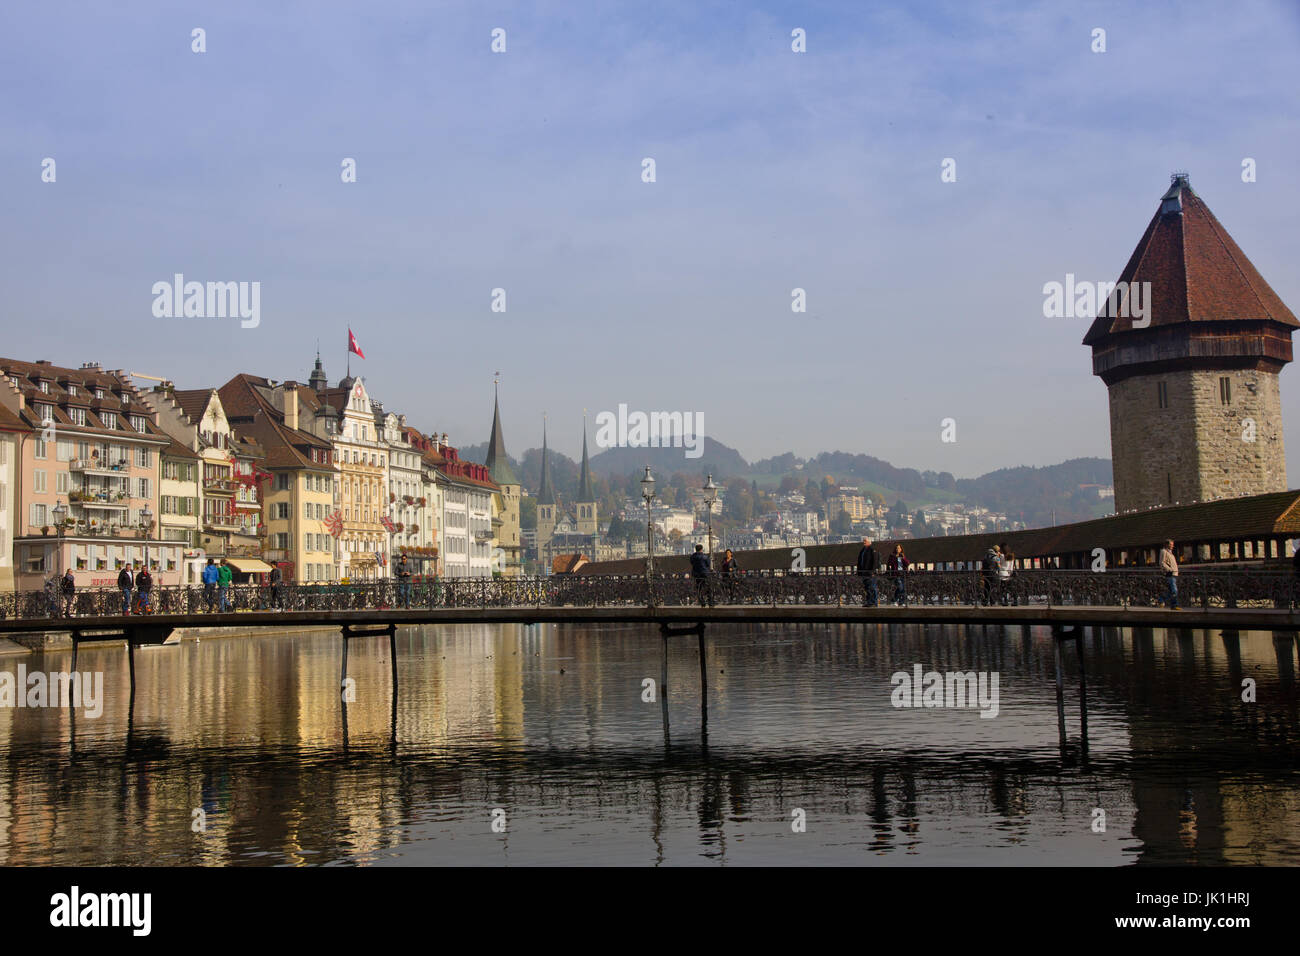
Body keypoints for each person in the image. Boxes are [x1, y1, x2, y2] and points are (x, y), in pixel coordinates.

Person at [856, 537, 880, 607]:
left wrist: (872, 571)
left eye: (865, 541)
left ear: (869, 542)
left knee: (872, 587)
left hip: (870, 573)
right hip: (864, 572)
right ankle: (869, 601)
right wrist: (859, 572)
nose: (864, 542)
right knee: (867, 588)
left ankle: (874, 602)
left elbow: (874, 561)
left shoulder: (872, 550)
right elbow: (860, 561)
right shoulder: (862, 550)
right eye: (863, 541)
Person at [1160, 539, 1180, 610]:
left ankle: (1162, 599)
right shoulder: (1164, 551)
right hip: (1170, 573)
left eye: (1172, 544)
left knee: (1171, 590)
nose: (1172, 546)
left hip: (1174, 573)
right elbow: (1162, 562)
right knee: (1174, 590)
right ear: (1166, 544)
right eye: (1171, 544)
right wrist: (1169, 569)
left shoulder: (1170, 553)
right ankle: (1174, 605)